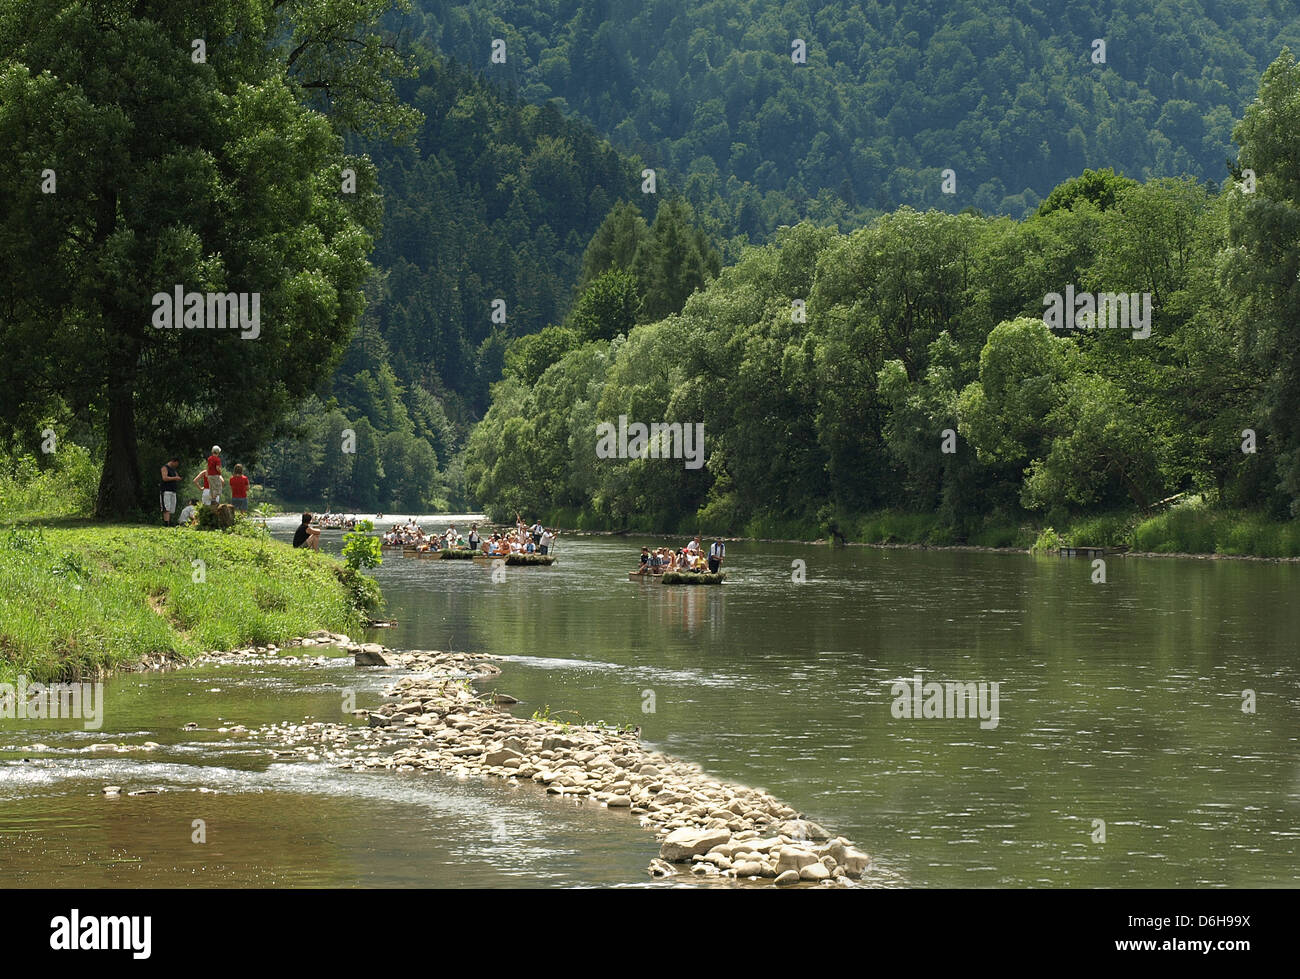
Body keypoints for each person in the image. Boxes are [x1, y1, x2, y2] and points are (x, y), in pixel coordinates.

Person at [160, 457, 182, 525]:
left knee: (172, 508)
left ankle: (170, 521)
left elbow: (176, 475)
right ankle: (166, 523)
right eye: (176, 464)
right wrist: (175, 478)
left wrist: (178, 478)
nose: (176, 465)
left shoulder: (173, 470)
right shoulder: (164, 468)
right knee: (166, 507)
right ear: (173, 461)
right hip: (166, 490)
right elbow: (164, 478)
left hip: (173, 491)